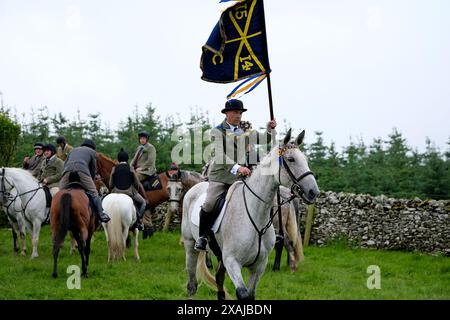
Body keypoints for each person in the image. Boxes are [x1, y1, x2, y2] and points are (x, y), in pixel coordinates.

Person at [194, 99, 277, 251]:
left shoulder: (245, 130)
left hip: (240, 178)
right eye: (235, 112)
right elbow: (220, 155)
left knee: (261, 198)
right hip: (221, 177)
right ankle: (203, 237)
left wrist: (270, 129)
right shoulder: (217, 131)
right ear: (227, 113)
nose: (238, 116)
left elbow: (265, 139)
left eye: (240, 113)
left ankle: (262, 234)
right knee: (209, 203)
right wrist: (238, 167)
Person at [59, 138, 110, 223]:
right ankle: (101, 214)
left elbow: (65, 164)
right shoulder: (92, 152)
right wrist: (92, 179)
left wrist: (64, 175)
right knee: (94, 192)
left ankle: (53, 213)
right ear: (92, 147)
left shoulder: (73, 150)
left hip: (67, 171)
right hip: (81, 171)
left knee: (60, 192)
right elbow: (93, 169)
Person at [109, 148, 146, 231]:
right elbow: (137, 183)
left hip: (115, 191)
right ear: (127, 159)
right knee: (143, 203)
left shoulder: (114, 169)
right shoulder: (131, 168)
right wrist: (135, 190)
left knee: (102, 201)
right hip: (129, 192)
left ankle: (102, 218)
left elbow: (110, 184)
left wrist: (112, 189)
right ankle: (139, 221)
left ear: (118, 159)